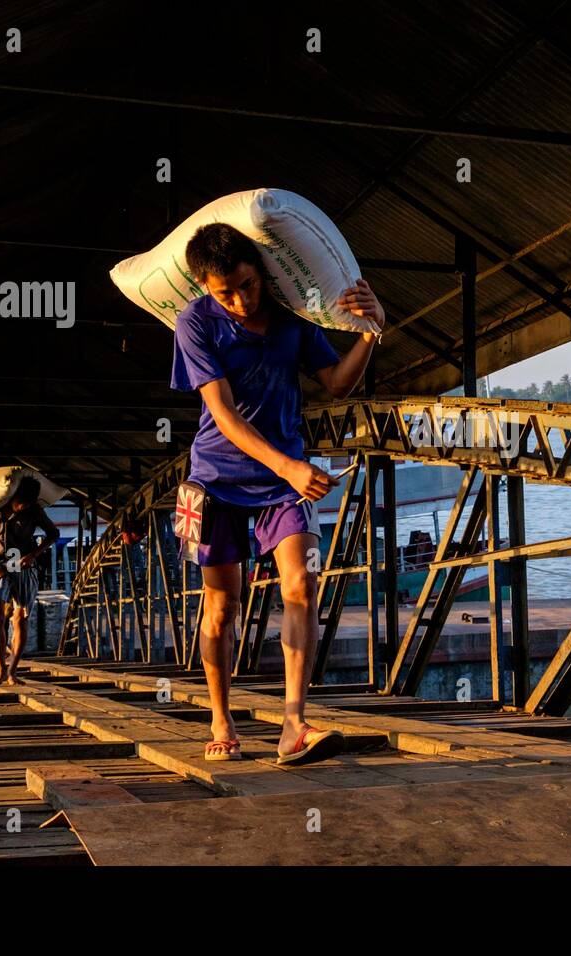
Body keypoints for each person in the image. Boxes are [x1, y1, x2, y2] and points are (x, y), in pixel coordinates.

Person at [171, 222, 385, 765]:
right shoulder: (195, 324)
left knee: (302, 584)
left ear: (260, 272)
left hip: (282, 482)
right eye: (226, 293)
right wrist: (292, 467)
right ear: (205, 289)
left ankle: (294, 723)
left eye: (247, 284)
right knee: (222, 605)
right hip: (215, 480)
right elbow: (221, 412)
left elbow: (337, 383)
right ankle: (221, 719)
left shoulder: (291, 318)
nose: (241, 301)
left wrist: (369, 334)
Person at [0, 476, 59, 684]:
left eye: (29, 503)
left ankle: (12, 671)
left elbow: (53, 534)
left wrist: (34, 554)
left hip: (23, 567)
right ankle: (0, 669)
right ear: (14, 496)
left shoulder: (35, 510)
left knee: (20, 618)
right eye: (23, 502)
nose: (25, 506)